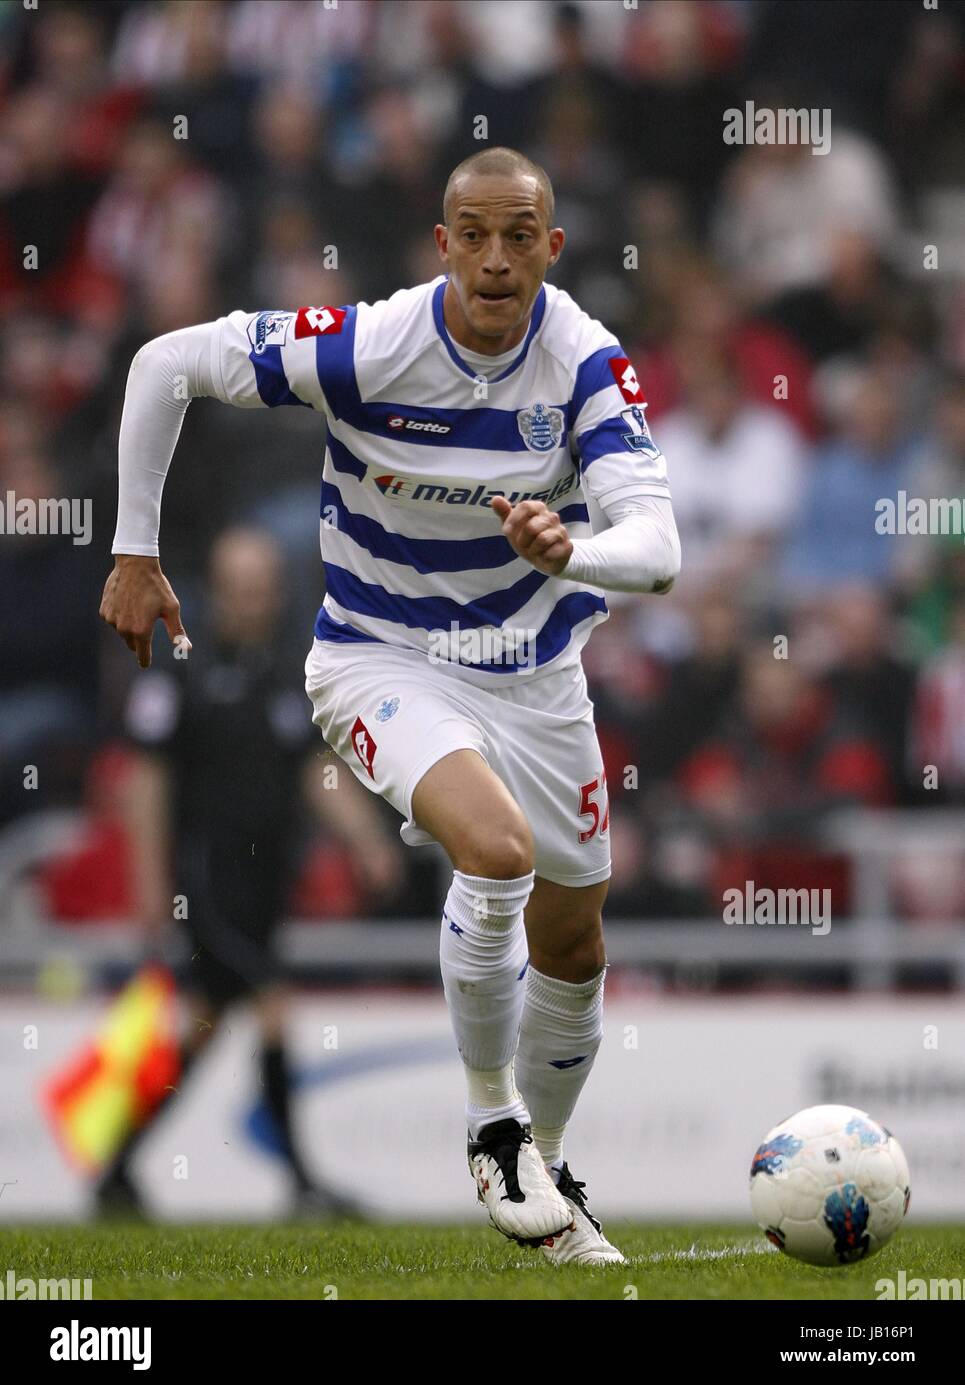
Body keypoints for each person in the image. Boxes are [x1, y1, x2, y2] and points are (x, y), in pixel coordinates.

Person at [99, 147, 681, 1265]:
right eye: (477, 233)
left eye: (523, 235)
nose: (499, 257)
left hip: (535, 671)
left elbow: (656, 551)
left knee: (573, 942)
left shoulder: (583, 366)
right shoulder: (366, 348)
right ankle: (490, 1123)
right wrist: (134, 547)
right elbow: (165, 361)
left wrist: (582, 547)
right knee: (496, 851)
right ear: (443, 243)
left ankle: (548, 1178)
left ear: (551, 249)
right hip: (382, 656)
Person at [98, 526, 403, 1218]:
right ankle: (301, 1183)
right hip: (207, 881)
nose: (253, 603)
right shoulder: (177, 669)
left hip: (266, 880)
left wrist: (366, 841)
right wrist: (149, 886)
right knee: (271, 1006)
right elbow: (144, 780)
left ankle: (115, 1170)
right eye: (240, 590)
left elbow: (312, 769)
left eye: (263, 589)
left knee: (202, 1025)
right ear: (215, 591)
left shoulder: (287, 670)